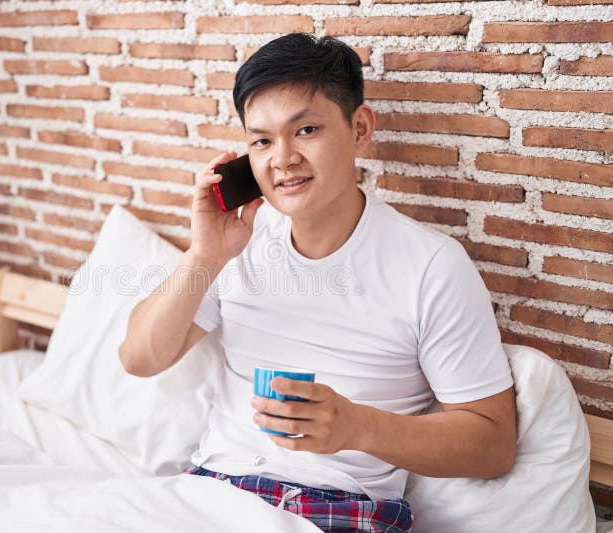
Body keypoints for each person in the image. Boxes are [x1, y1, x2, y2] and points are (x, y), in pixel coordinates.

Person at [118, 32, 516, 533]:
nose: (281, 159)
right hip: (211, 493)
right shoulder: (238, 244)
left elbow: (493, 444)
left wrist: (357, 426)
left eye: (305, 130)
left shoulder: (431, 265)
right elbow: (138, 358)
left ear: (359, 128)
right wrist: (204, 254)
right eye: (261, 140)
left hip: (336, 510)